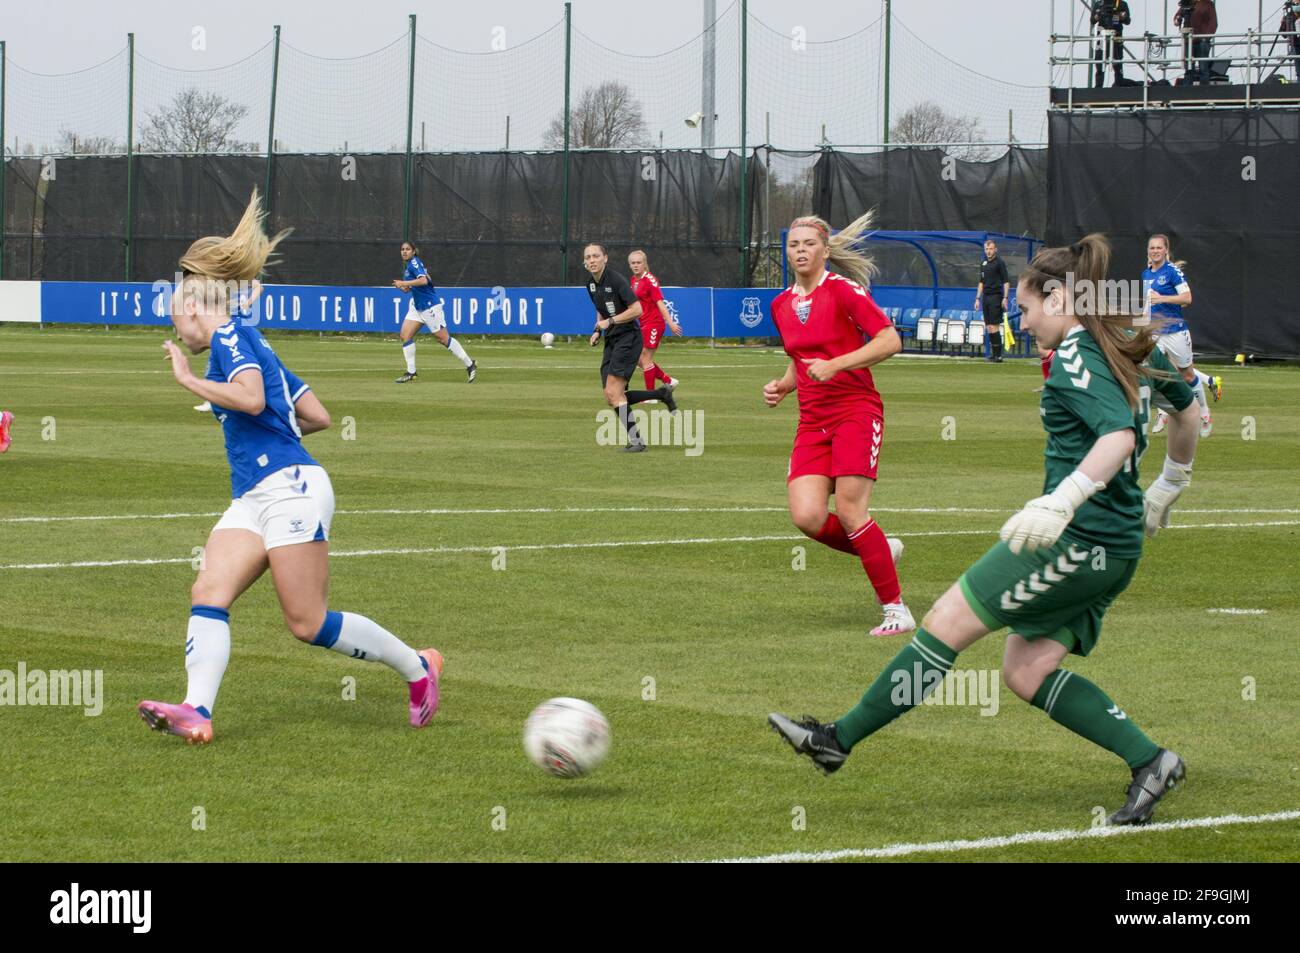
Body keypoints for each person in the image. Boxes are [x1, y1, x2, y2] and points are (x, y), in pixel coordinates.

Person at [769, 233, 1201, 827]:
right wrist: (1168, 486)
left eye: (1024, 310)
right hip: (1111, 542)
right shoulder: (1121, 344)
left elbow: (1119, 437)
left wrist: (1064, 500)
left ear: (1058, 301)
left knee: (944, 624)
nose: (1021, 324)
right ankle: (1152, 761)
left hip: (1078, 542)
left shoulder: (1077, 355)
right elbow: (1188, 410)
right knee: (1025, 671)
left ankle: (836, 741)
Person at [139, 191, 443, 745]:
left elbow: (252, 399)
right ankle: (196, 711)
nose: (175, 330)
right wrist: (245, 411)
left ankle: (418, 668)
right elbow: (317, 415)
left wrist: (193, 383)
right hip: (258, 494)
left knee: (307, 623)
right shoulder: (248, 343)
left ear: (190, 308)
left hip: (289, 489)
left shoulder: (230, 336)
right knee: (208, 591)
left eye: (173, 317)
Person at [763, 212, 912, 638]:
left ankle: (896, 610)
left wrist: (838, 365)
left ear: (825, 251)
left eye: (809, 244)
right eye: (794, 244)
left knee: (849, 511)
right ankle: (881, 550)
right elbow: (801, 357)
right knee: (807, 517)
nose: (800, 250)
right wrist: (784, 386)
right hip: (812, 421)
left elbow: (890, 339)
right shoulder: (780, 305)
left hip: (855, 411)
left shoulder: (844, 291)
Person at [584, 243, 676, 452]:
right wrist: (598, 330)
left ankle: (637, 441)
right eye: (588, 257)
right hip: (613, 339)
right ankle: (662, 394)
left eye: (596, 256)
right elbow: (601, 311)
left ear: (605, 258)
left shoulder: (616, 280)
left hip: (629, 338)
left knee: (615, 393)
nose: (592, 260)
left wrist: (611, 321)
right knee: (612, 396)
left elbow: (637, 309)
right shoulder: (590, 285)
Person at [1142, 234, 1220, 437]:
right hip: (1154, 333)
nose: (1155, 251)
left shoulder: (1173, 272)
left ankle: (1204, 412)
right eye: (1152, 248)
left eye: (1159, 248)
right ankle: (1164, 412)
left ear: (1166, 250)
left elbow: (1187, 298)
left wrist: (1163, 298)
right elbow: (1147, 304)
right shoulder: (1145, 274)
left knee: (1187, 374)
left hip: (1175, 331)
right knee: (1155, 372)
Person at [392, 241, 476, 385]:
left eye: (407, 249)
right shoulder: (409, 267)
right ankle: (411, 372)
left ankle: (470, 364)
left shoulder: (414, 263)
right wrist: (402, 286)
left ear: (413, 251)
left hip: (429, 306)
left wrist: (404, 283)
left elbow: (424, 281)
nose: (404, 252)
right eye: (402, 249)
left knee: (443, 339)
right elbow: (412, 288)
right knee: (405, 335)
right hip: (417, 306)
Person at [194, 279, 262, 413]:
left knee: (217, 361)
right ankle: (216, 399)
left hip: (236, 328)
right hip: (234, 327)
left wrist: (248, 303)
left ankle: (212, 400)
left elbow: (258, 286)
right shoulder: (228, 282)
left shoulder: (237, 279)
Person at [627, 250, 683, 398]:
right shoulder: (633, 280)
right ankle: (669, 381)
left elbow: (660, 303)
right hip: (643, 323)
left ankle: (650, 396)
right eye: (633, 263)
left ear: (644, 264)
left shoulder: (650, 280)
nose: (636, 265)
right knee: (640, 359)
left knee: (645, 359)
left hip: (654, 323)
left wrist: (670, 322)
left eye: (639, 262)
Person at [975, 239, 1010, 363]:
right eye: (986, 249)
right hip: (986, 297)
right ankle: (993, 355)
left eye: (991, 249)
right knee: (988, 327)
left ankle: (998, 355)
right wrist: (977, 299)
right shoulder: (983, 263)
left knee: (994, 326)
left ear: (995, 249)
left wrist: (1005, 298)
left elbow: (1006, 281)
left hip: (996, 297)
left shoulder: (999, 263)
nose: (988, 251)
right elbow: (981, 282)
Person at [1091, 0, 1132, 88]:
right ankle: (1098, 87)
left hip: (1116, 37)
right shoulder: (1099, 4)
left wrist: (1120, 16)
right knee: (1099, 63)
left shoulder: (1121, 4)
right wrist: (1098, 15)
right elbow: (1092, 20)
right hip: (1102, 38)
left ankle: (1118, 85)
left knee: (1117, 63)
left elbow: (1128, 21)